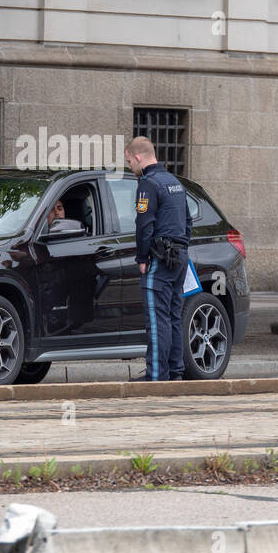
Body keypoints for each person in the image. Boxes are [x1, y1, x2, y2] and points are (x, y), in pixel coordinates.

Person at [124, 136, 192, 381]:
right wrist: (181, 247)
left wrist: (142, 257)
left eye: (130, 161)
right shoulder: (174, 182)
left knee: (157, 320)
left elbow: (144, 224)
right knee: (173, 317)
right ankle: (175, 372)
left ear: (139, 157)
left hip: (159, 260)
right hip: (179, 258)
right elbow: (188, 221)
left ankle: (156, 376)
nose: (130, 165)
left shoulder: (148, 184)